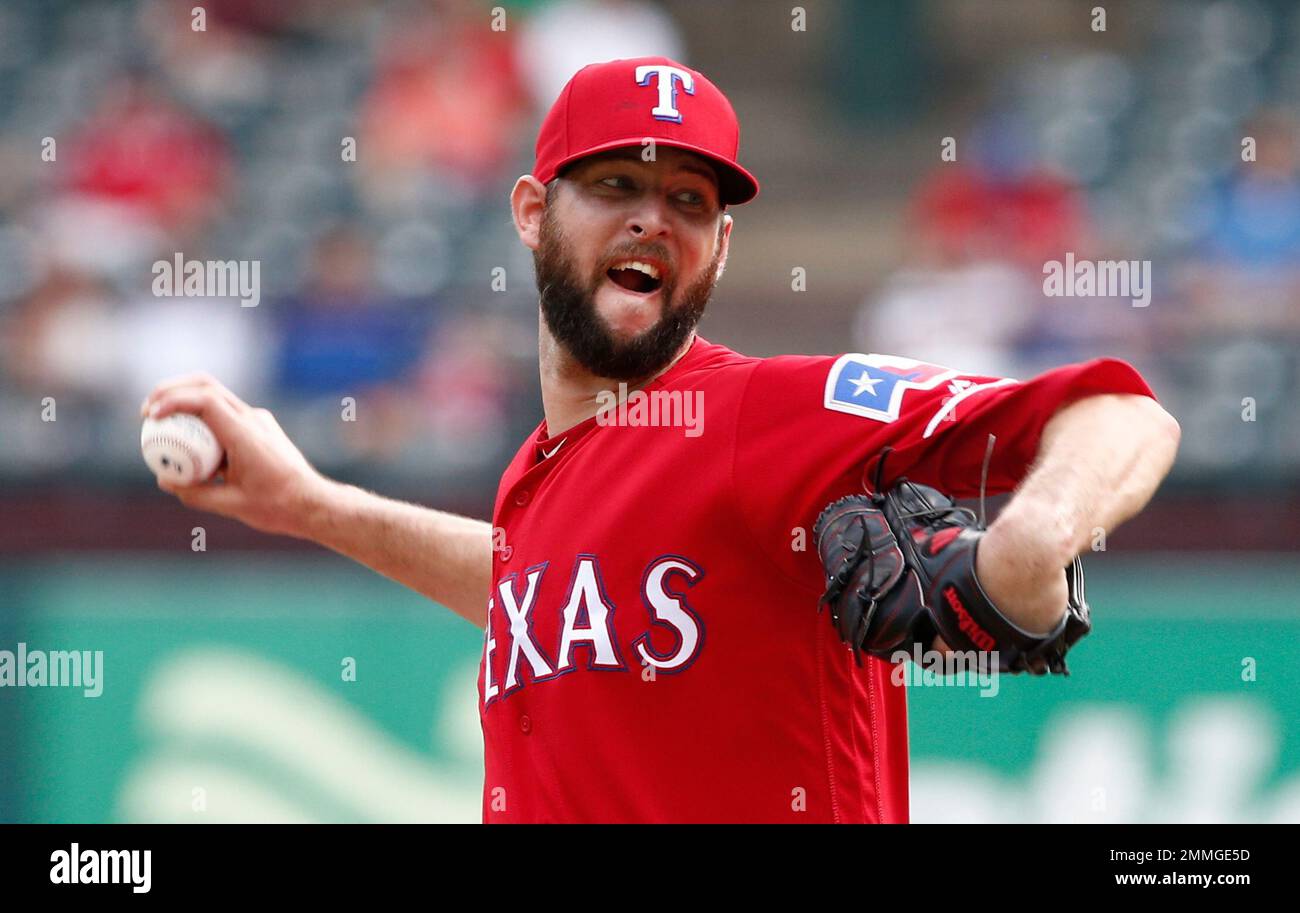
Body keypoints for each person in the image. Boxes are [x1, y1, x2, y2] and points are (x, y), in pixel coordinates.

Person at [143, 57, 1180, 823]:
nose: (652, 220)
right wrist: (309, 504)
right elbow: (531, 585)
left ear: (720, 247)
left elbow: (1123, 411)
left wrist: (1035, 532)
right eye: (615, 188)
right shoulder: (537, 478)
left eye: (688, 200)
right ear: (531, 211)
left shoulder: (771, 415)